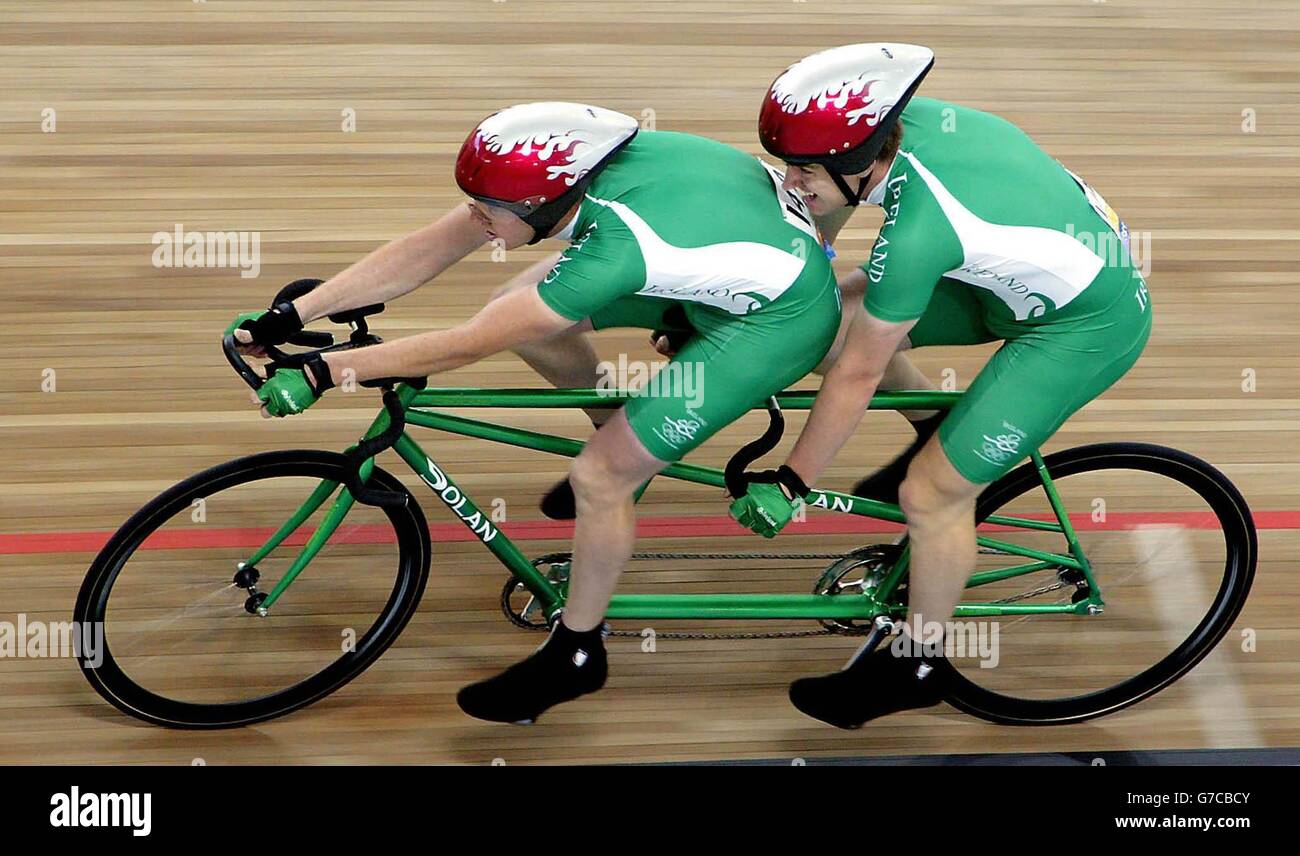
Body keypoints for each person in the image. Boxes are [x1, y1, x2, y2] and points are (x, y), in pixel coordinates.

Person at [231, 101, 843, 723]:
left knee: (600, 477)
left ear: (540, 205)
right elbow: (427, 250)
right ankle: (627, 434)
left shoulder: (614, 251)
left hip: (775, 322)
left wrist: (324, 371)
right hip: (730, 256)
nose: (474, 219)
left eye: (486, 211)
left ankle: (576, 653)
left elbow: (471, 342)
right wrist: (295, 314)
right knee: (519, 305)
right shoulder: (556, 180)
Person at [729, 43, 1152, 728]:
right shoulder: (902, 129)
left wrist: (793, 481)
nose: (792, 180)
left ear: (856, 158)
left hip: (1082, 327)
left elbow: (861, 372)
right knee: (825, 326)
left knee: (929, 493)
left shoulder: (920, 230)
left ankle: (915, 662)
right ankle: (936, 427)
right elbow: (818, 228)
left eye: (804, 168)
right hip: (1011, 277)